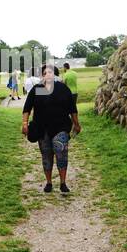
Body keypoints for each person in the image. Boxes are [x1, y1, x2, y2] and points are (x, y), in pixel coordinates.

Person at [22, 63, 81, 194]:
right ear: (41, 76)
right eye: (44, 73)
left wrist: (76, 124)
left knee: (61, 155)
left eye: (50, 73)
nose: (47, 75)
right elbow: (27, 108)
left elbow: (72, 109)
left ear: (55, 75)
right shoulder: (37, 89)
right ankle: (49, 183)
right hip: (42, 129)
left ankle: (63, 183)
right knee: (46, 156)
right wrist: (25, 123)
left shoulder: (63, 89)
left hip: (61, 127)